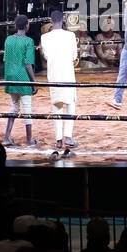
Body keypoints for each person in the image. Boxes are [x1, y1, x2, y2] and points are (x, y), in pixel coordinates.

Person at [40, 10, 78, 157]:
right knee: (70, 104)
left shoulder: (44, 37)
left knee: (57, 106)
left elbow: (46, 56)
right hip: (67, 74)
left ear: (51, 21)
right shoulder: (70, 35)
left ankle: (58, 139)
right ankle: (68, 136)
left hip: (54, 74)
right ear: (63, 20)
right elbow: (74, 56)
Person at [2, 14, 38, 147]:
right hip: (23, 77)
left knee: (14, 106)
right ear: (27, 25)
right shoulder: (28, 41)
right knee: (27, 107)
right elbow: (28, 64)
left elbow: (5, 59)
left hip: (10, 76)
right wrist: (33, 83)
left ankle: (7, 137)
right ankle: (29, 139)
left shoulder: (8, 39)